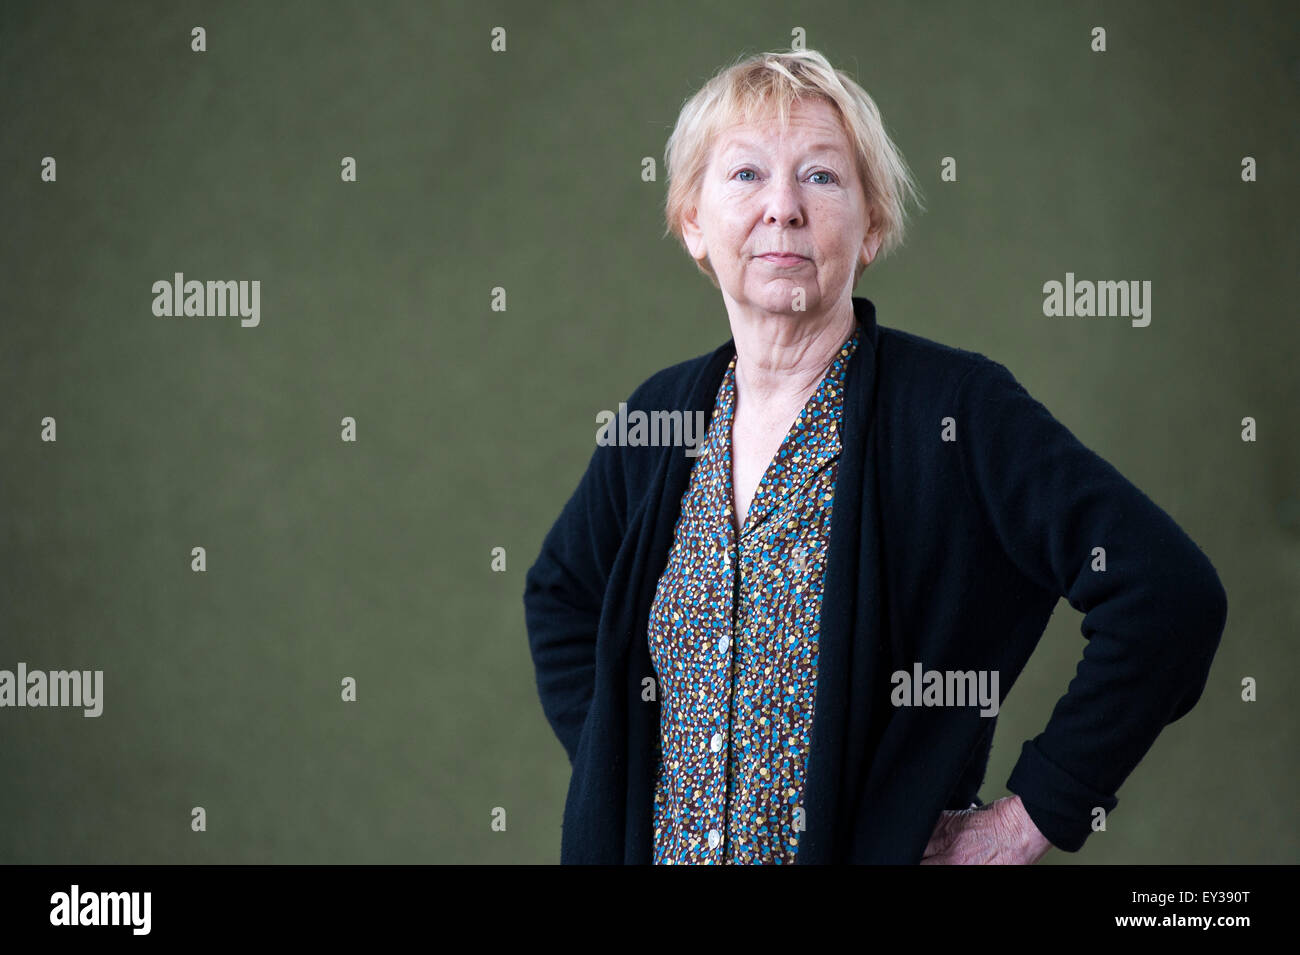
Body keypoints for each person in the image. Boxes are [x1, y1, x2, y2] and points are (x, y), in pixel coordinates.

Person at [522, 48, 1227, 864]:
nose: (782, 207)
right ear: (692, 223)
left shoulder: (955, 411)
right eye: (746, 174)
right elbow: (559, 597)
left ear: (874, 224)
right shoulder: (659, 417)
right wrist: (617, 771)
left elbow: (1169, 592)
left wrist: (1029, 816)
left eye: (821, 177)